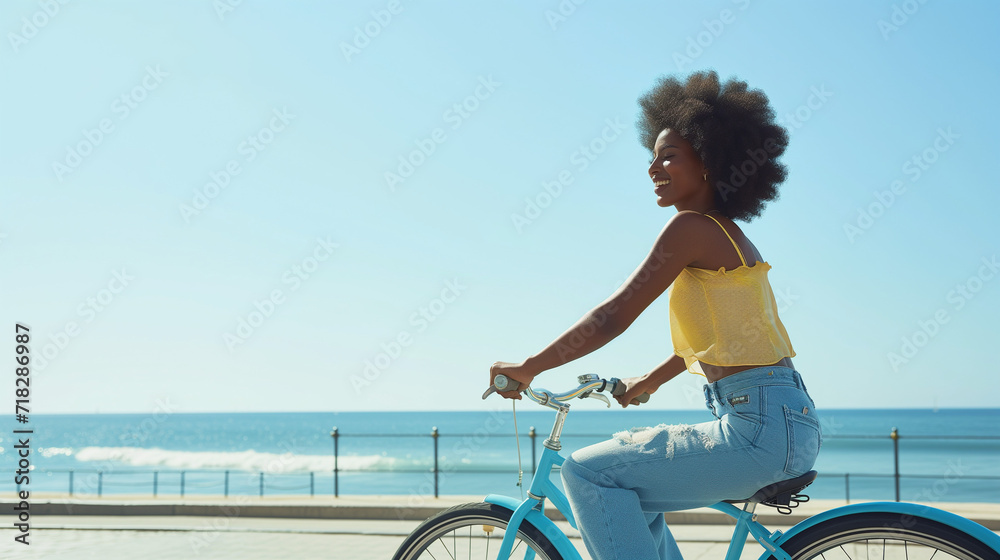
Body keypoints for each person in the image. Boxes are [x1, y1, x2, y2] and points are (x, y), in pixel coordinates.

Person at [489, 70, 822, 560]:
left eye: (669, 156)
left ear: (709, 162)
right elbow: (727, 337)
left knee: (586, 472)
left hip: (755, 427)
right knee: (630, 495)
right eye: (652, 156)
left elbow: (614, 316)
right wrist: (653, 378)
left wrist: (530, 367)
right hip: (790, 420)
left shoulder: (689, 227)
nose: (653, 168)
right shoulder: (731, 237)